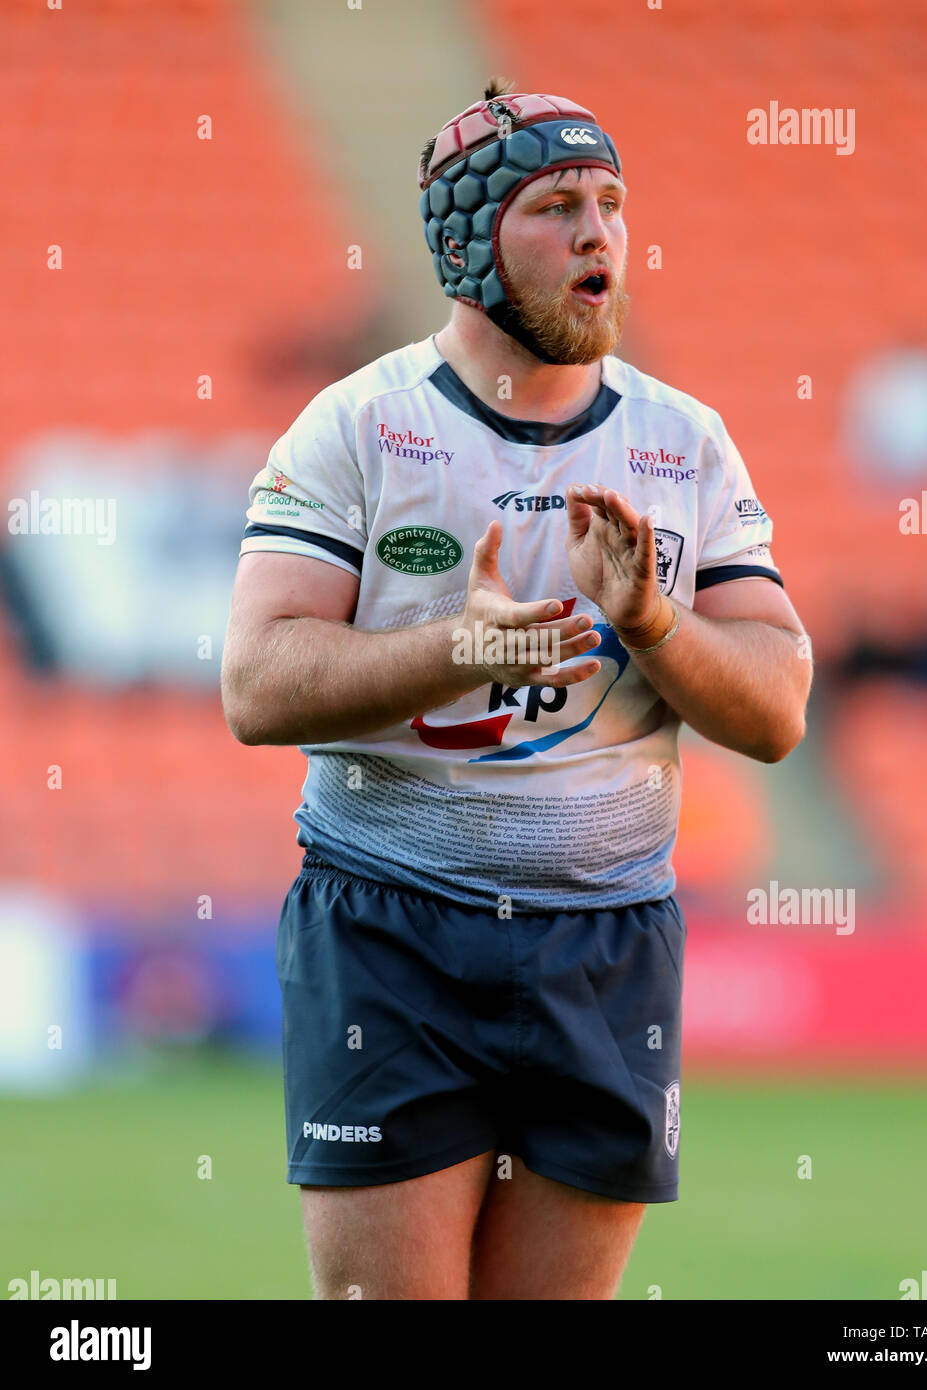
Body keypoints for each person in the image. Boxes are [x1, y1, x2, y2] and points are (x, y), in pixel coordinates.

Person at [221, 79, 811, 1300]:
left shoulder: (683, 441)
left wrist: (651, 617)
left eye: (611, 204)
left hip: (606, 941)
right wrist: (461, 649)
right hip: (390, 923)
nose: (598, 233)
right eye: (554, 206)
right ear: (464, 241)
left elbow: (774, 708)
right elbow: (258, 684)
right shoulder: (355, 428)